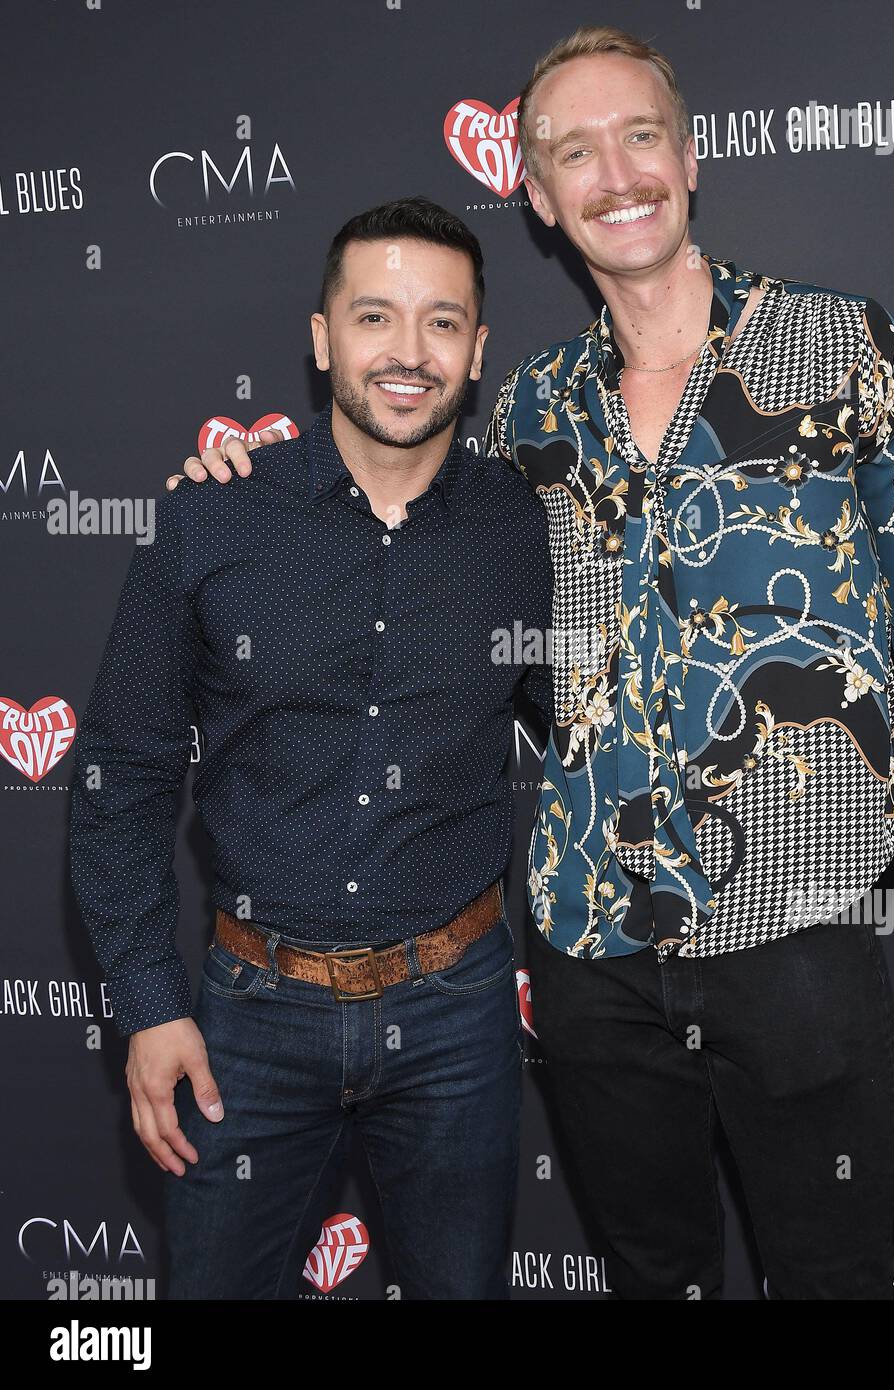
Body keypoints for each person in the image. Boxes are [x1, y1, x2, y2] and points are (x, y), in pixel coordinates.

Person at [169, 25, 894, 1301]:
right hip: (587, 947)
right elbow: (384, 521)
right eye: (574, 150)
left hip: (797, 931)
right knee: (647, 1274)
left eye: (638, 137)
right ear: (537, 194)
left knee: (833, 1277)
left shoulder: (840, 345)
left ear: (687, 156)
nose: (615, 173)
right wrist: (238, 483)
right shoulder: (524, 409)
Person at [69, 197, 553, 1300]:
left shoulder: (524, 533)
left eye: (441, 323)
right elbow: (122, 775)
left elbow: (604, 720)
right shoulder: (212, 519)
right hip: (249, 1015)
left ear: (477, 351)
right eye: (374, 316)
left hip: (456, 1014)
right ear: (322, 336)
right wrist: (148, 1002)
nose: (406, 352)